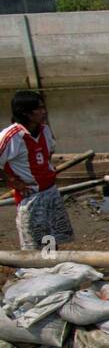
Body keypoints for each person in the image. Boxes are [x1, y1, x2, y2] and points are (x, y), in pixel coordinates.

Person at [0, 91, 72, 251]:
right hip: (30, 194)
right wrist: (11, 180)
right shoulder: (11, 136)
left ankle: (51, 263)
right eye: (38, 109)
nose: (43, 112)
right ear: (25, 112)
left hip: (50, 191)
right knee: (33, 241)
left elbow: (49, 152)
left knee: (51, 237)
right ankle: (36, 269)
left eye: (43, 107)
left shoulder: (44, 130)